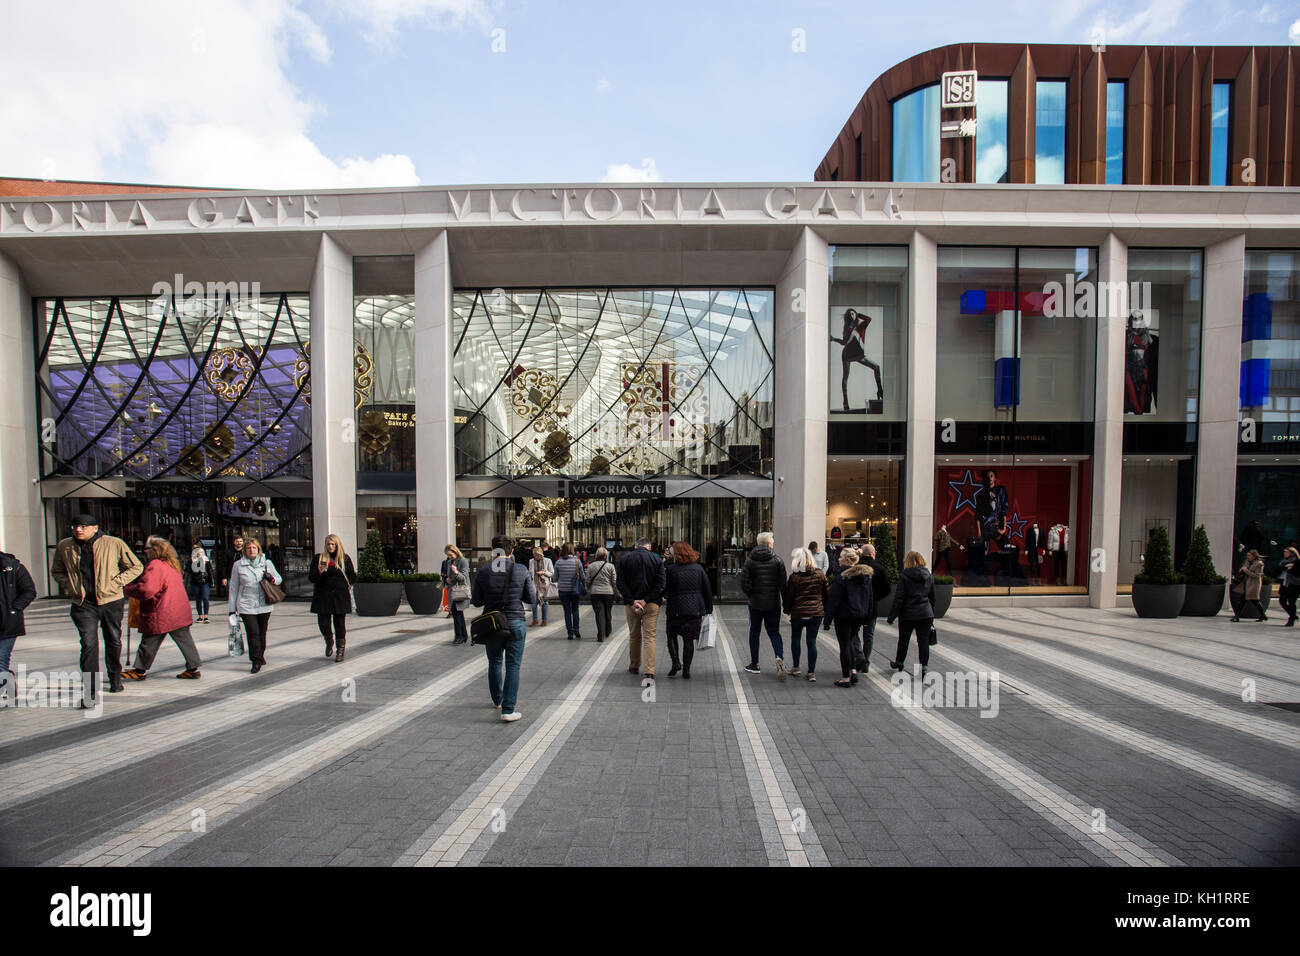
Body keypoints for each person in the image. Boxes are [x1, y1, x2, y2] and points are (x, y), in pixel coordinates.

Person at [50, 513, 143, 704]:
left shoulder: (113, 543)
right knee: (88, 645)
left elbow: (135, 567)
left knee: (113, 640)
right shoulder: (64, 546)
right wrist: (70, 586)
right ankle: (91, 691)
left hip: (110, 600)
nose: (79, 529)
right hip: (83, 603)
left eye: (84, 526)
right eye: (76, 526)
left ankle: (115, 678)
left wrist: (116, 583)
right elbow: (57, 571)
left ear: (95, 528)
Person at [471, 534, 535, 722]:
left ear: (493, 550)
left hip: (493, 624)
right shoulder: (521, 570)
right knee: (513, 665)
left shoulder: (483, 571)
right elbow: (530, 599)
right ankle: (508, 710)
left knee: (495, 662)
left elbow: (476, 601)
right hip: (515, 621)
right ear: (512, 551)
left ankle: (497, 699)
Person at [121, 536, 202, 680]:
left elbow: (146, 589)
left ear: (154, 550)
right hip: (178, 610)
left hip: (161, 611)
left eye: (146, 549)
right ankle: (193, 668)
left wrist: (128, 589)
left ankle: (139, 671)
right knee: (185, 640)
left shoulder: (155, 565)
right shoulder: (172, 564)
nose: (145, 552)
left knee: (149, 642)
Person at [228, 537, 284, 674]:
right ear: (244, 551)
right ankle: (256, 660)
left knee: (262, 632)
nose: (251, 550)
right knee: (252, 632)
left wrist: (272, 578)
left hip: (264, 603)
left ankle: (261, 653)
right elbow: (234, 588)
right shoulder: (238, 565)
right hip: (246, 604)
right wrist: (231, 609)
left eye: (254, 548)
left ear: (258, 549)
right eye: (248, 548)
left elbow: (279, 579)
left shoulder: (266, 563)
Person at [618, 537, 666, 685]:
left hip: (631, 604)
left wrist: (632, 601)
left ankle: (634, 666)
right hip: (651, 604)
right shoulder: (657, 560)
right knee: (650, 636)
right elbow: (661, 584)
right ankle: (649, 671)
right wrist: (646, 600)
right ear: (649, 547)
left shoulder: (625, 559)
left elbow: (620, 582)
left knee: (634, 635)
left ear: (636, 546)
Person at [823, 547, 873, 688]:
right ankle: (853, 671)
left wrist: (827, 620)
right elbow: (870, 598)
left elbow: (834, 600)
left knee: (844, 645)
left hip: (844, 616)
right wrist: (867, 617)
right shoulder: (865, 577)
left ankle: (846, 677)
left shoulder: (842, 577)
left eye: (841, 557)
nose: (838, 559)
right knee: (850, 642)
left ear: (846, 560)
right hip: (858, 615)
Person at [740, 530, 788, 679]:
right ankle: (779, 656)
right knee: (774, 632)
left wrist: (751, 594)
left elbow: (744, 582)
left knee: (754, 632)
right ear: (768, 543)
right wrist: (785, 602)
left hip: (755, 603)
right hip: (773, 603)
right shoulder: (777, 560)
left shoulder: (750, 560)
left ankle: (755, 664)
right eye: (772, 541)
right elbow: (783, 584)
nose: (773, 543)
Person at [663, 541, 712, 679]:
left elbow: (665, 588)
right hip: (694, 609)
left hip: (675, 609)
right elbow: (707, 590)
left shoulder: (671, 569)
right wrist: (709, 609)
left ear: (677, 553)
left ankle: (675, 663)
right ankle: (687, 669)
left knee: (671, 636)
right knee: (688, 639)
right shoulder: (699, 569)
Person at [888, 551, 937, 676]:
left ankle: (899, 662)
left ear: (907, 561)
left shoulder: (904, 576)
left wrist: (892, 616)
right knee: (923, 641)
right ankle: (924, 667)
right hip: (925, 613)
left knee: (904, 639)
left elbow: (899, 598)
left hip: (908, 613)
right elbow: (933, 597)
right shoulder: (928, 575)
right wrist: (932, 612)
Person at [309, 534, 356, 661]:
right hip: (323, 595)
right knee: (323, 623)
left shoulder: (344, 559)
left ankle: (340, 650)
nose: (330, 546)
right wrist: (319, 571)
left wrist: (346, 583)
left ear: (337, 545)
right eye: (328, 544)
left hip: (339, 596)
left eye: (333, 544)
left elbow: (352, 576)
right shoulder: (319, 558)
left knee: (339, 623)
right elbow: (311, 578)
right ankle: (329, 640)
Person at [784, 547, 828, 683]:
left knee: (796, 638)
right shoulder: (820, 574)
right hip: (816, 612)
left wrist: (787, 609)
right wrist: (824, 608)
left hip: (798, 612)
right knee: (812, 641)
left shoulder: (795, 577)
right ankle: (811, 672)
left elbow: (789, 596)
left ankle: (796, 667)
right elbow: (826, 594)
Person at [0, 549, 37, 705]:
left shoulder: (13, 567)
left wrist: (14, 609)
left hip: (7, 622)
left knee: (0, 660)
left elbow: (29, 591)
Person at [852, 542, 892, 672]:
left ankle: (859, 655)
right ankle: (866, 662)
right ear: (871, 553)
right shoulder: (879, 568)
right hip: (871, 607)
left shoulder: (855, 568)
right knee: (869, 635)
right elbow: (887, 589)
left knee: (853, 633)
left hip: (856, 606)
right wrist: (875, 597)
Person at [585, 547, 618, 642]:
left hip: (595, 593)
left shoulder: (591, 566)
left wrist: (589, 588)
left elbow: (587, 580)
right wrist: (616, 592)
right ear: (605, 556)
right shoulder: (610, 566)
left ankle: (601, 634)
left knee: (599, 613)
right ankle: (608, 630)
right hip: (609, 592)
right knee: (608, 612)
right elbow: (614, 581)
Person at [553, 543, 583, 640]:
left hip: (563, 590)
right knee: (575, 610)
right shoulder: (577, 561)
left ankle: (570, 633)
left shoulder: (558, 562)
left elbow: (555, 578)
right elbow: (583, 577)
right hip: (575, 590)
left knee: (567, 611)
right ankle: (576, 630)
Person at [442, 544, 471, 644]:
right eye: (448, 555)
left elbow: (464, 576)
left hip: (460, 591)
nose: (449, 557)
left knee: (457, 613)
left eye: (450, 555)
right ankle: (463, 635)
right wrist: (448, 579)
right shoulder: (450, 561)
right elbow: (450, 576)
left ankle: (459, 636)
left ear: (455, 551)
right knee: (457, 614)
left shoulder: (463, 561)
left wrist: (456, 572)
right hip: (453, 591)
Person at [1231, 549, 1267, 623]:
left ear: (1254, 556)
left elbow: (1257, 576)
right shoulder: (1247, 562)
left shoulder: (1259, 564)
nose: (1248, 557)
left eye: (1250, 555)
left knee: (1253, 600)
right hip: (1246, 583)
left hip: (1253, 584)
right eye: (1247, 555)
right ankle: (1262, 615)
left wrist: (1246, 571)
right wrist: (1242, 570)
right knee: (1244, 601)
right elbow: (1243, 569)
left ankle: (1237, 616)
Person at [975, 470, 1009, 547]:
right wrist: (979, 533)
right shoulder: (981, 497)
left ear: (995, 478)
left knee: (1007, 548)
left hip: (997, 527)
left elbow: (1004, 510)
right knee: (983, 552)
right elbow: (978, 516)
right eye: (987, 477)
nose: (989, 478)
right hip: (986, 528)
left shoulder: (1000, 490)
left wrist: (1003, 528)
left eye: (991, 476)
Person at [187, 544, 214, 624]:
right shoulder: (191, 560)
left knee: (205, 598)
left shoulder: (206, 560)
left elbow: (210, 572)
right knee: (198, 599)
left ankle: (206, 616)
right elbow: (188, 572)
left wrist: (212, 582)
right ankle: (200, 616)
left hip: (204, 582)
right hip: (195, 582)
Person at [528, 547, 554, 627]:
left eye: (537, 555)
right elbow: (530, 573)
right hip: (534, 584)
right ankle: (535, 619)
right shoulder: (531, 561)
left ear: (540, 554)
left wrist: (544, 573)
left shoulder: (548, 560)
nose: (535, 556)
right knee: (534, 602)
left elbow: (552, 573)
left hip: (544, 585)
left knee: (544, 603)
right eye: (534, 555)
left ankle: (544, 620)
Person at [1278, 546, 1300, 627]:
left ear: (1292, 553)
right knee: (1282, 601)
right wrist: (1286, 566)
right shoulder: (1283, 562)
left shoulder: (1297, 562)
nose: (1284, 553)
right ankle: (1293, 615)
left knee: (1291, 602)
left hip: (1294, 585)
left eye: (1286, 552)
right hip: (1284, 583)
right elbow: (1277, 570)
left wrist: (1291, 568)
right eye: (1284, 552)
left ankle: (1291, 619)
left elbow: (1297, 573)